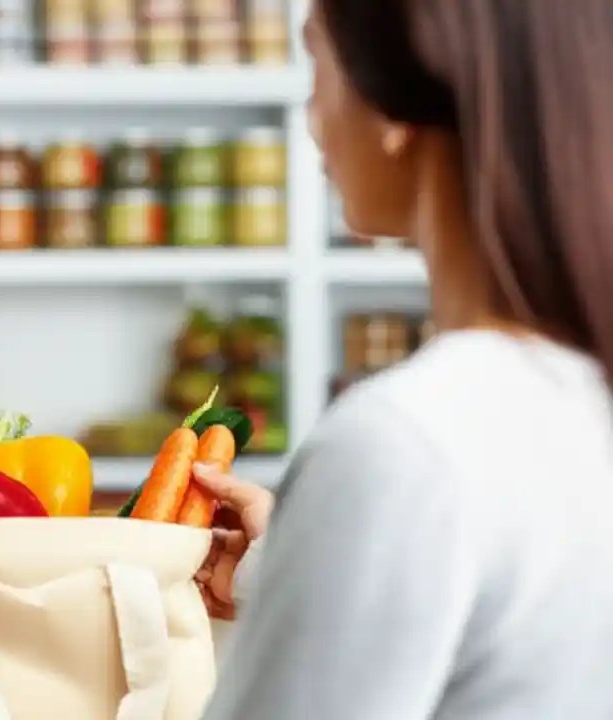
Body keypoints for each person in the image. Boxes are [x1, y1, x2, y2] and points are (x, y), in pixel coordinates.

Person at [190, 0, 613, 717]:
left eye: (315, 64)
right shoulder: (574, 393)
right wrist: (299, 568)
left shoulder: (404, 441)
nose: (311, 115)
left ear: (390, 111)